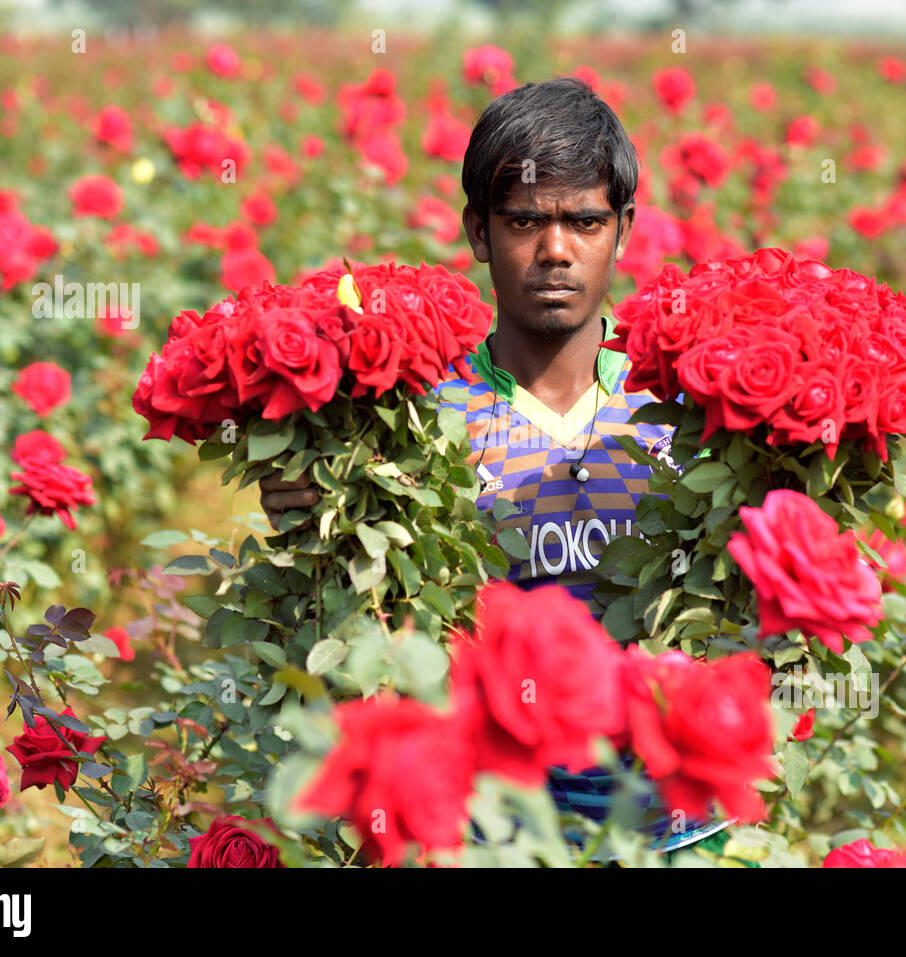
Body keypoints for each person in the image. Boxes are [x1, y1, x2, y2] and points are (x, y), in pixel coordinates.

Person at [260, 77, 727, 855]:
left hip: (671, 832)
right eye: (524, 222)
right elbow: (371, 634)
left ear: (624, 229)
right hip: (486, 834)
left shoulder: (684, 414)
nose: (555, 251)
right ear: (478, 231)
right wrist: (314, 534)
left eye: (584, 221)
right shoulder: (418, 419)